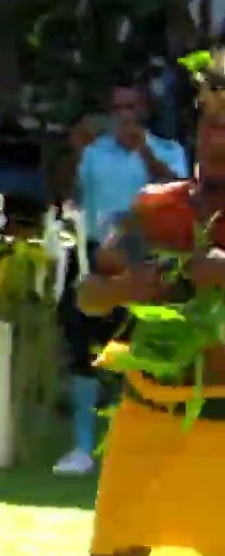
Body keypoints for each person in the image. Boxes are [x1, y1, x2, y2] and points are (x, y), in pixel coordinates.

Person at [77, 48, 225, 556]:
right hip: (146, 419)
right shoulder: (159, 209)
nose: (216, 138)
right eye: (209, 123)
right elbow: (89, 293)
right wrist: (128, 286)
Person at [53, 81, 189, 476]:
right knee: (84, 350)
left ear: (144, 110)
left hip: (152, 261)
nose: (124, 115)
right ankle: (82, 448)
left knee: (147, 353)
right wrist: (75, 151)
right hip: (98, 257)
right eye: (117, 108)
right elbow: (69, 194)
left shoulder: (169, 151)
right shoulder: (95, 152)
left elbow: (180, 198)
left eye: (131, 107)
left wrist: (144, 151)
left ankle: (141, 447)